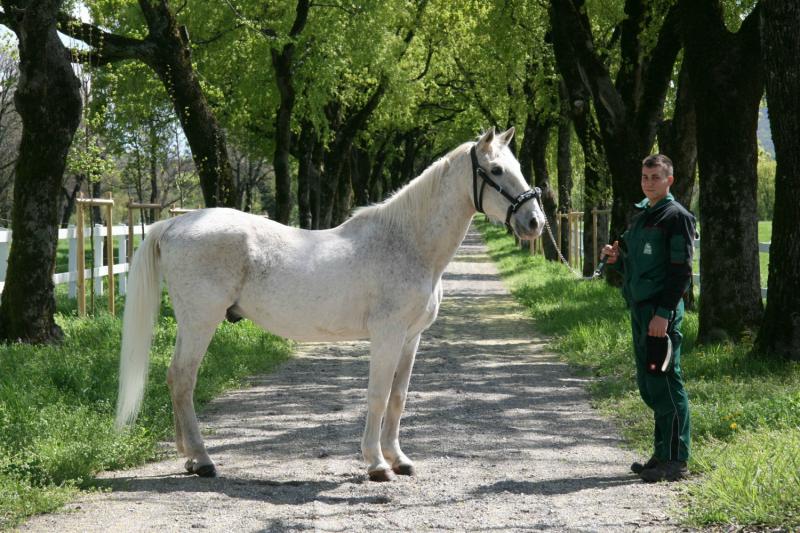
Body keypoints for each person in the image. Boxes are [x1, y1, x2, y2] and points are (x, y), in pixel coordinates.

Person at [601, 154, 696, 483]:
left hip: (660, 314)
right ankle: (661, 454)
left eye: (656, 177)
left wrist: (664, 314)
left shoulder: (676, 216)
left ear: (670, 180)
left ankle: (677, 460)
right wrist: (617, 260)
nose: (649, 182)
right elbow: (638, 266)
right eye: (645, 176)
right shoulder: (642, 215)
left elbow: (681, 271)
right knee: (650, 383)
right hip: (640, 311)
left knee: (668, 383)